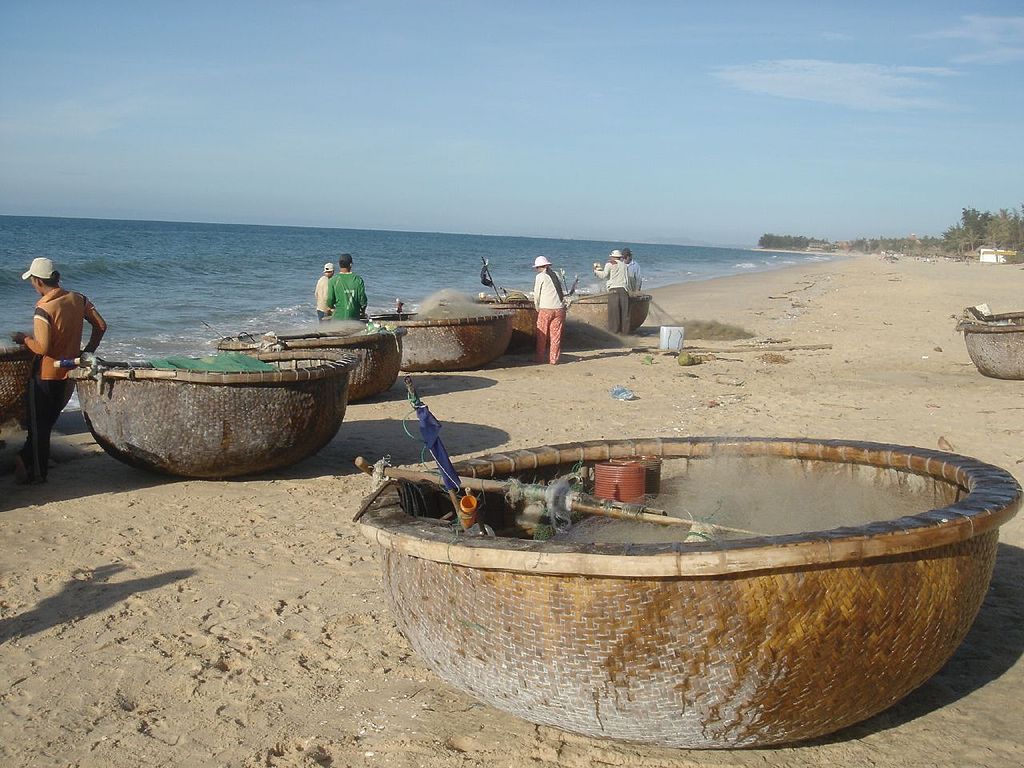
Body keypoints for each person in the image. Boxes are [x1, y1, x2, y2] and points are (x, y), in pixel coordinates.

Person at [11, 257, 106, 484]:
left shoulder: (44, 308)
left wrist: (24, 339)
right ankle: (29, 463)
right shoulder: (78, 299)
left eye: (32, 281)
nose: (33, 286)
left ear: (37, 281)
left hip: (45, 373)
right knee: (47, 422)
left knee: (37, 427)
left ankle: (36, 472)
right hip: (69, 372)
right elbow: (101, 326)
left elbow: (42, 347)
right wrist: (86, 351)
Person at [532, 256, 567, 365]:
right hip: (559, 309)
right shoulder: (556, 274)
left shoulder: (540, 277)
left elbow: (536, 295)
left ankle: (540, 358)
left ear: (539, 267)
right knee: (555, 336)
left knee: (542, 334)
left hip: (546, 309)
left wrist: (537, 307)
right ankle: (554, 359)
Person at [592, 249, 630, 334]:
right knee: (625, 314)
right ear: (620, 257)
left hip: (614, 291)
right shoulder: (624, 265)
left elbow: (604, 275)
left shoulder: (609, 264)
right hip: (624, 291)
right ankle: (625, 333)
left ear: (612, 257)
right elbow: (627, 280)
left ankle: (614, 333)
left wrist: (595, 271)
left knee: (614, 314)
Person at [326, 253, 368, 320]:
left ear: (339, 265)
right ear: (351, 264)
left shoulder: (333, 280)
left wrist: (331, 308)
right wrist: (362, 312)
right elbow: (363, 301)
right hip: (354, 318)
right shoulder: (358, 280)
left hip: (338, 318)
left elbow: (330, 300)